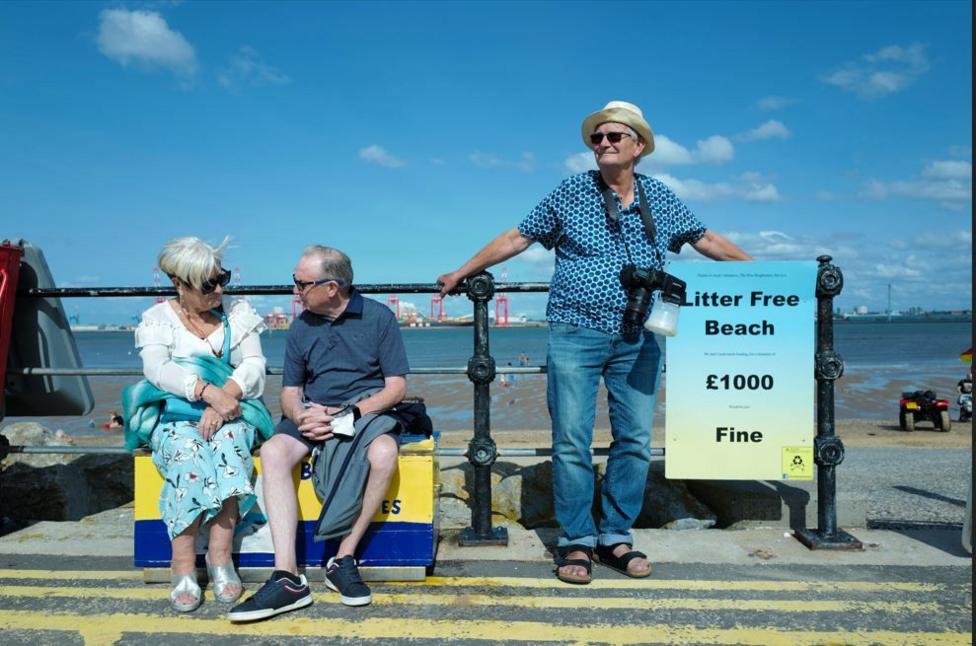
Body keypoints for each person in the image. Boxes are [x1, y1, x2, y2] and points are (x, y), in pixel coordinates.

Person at [437, 101, 751, 585]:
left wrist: (773, 277)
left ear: (637, 147)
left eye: (613, 137)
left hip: (640, 335)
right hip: (574, 332)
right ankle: (576, 541)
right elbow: (518, 238)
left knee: (635, 442)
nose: (602, 144)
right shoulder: (571, 191)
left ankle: (616, 537)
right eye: (597, 138)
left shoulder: (662, 198)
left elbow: (706, 240)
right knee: (570, 442)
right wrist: (463, 271)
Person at [229, 245, 409, 621]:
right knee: (275, 452)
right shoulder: (300, 326)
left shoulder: (379, 317)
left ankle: (342, 558)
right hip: (312, 413)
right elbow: (290, 391)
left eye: (300, 283)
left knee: (384, 454)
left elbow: (395, 389)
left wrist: (350, 414)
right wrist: (302, 414)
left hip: (364, 412)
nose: (295, 290)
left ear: (331, 287)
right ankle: (287, 577)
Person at [122, 236, 274, 612]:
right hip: (177, 413)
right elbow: (158, 370)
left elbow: (254, 365)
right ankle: (183, 564)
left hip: (234, 408)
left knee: (230, 451)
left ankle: (220, 558)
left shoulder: (237, 313)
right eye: (208, 284)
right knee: (187, 457)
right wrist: (207, 393)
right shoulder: (158, 320)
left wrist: (226, 400)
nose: (219, 289)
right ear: (179, 283)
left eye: (221, 278)